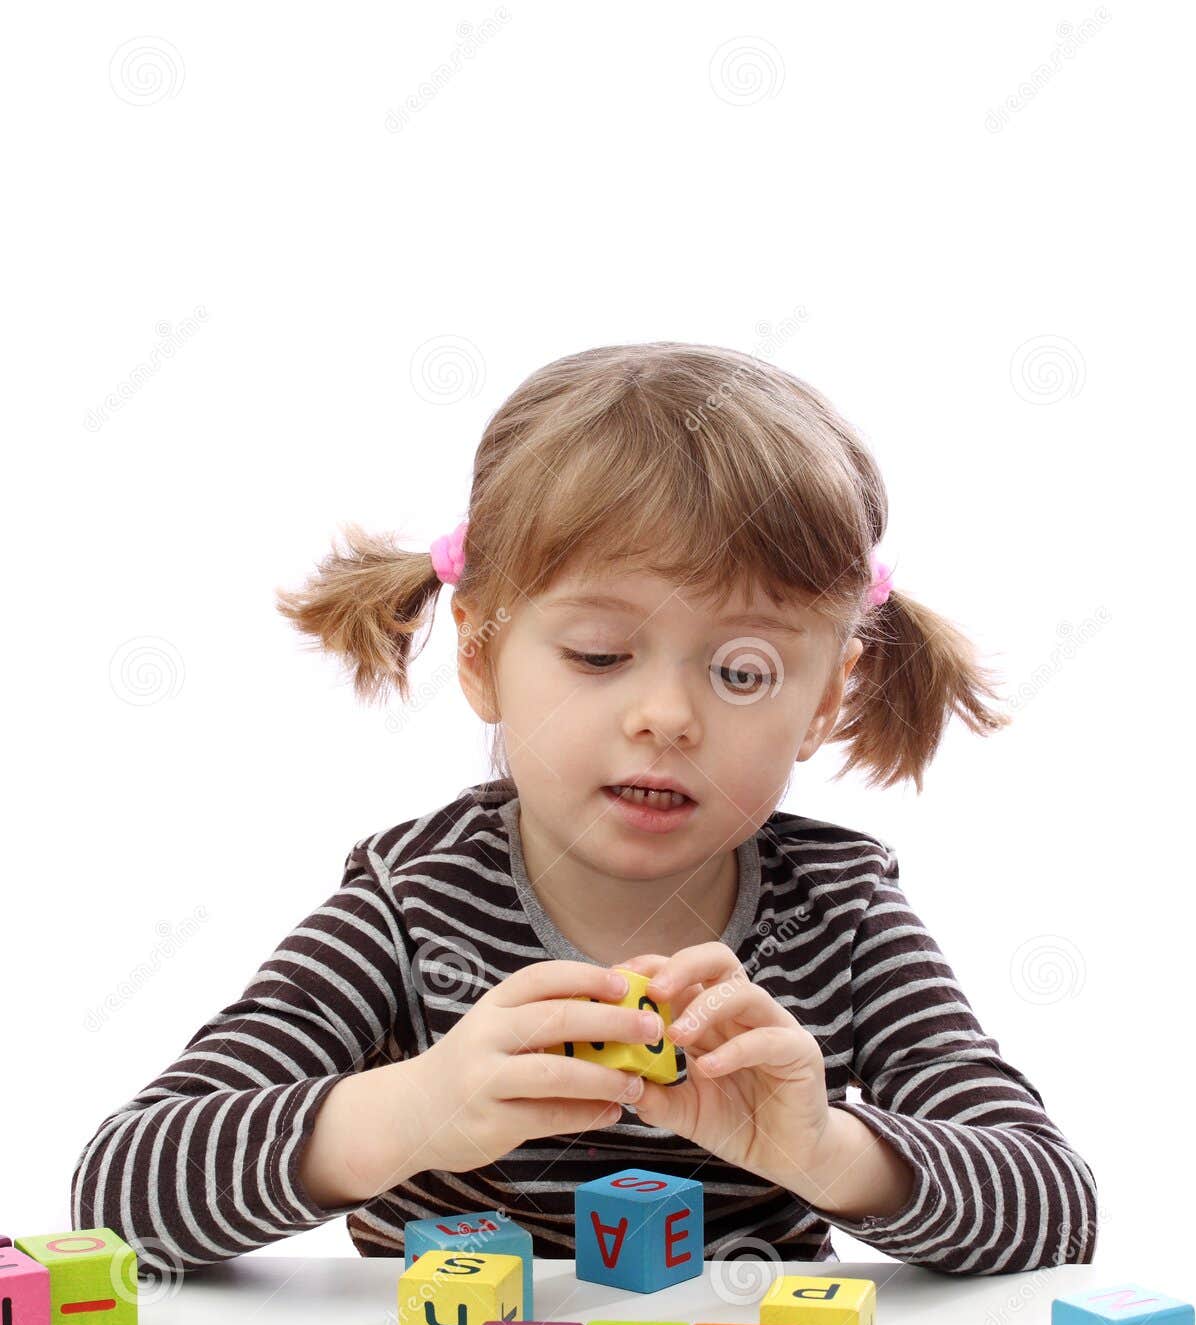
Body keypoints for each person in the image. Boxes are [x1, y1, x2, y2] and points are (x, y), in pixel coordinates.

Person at [71, 342, 1097, 1278]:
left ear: (825, 698)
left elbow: (1053, 1206)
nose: (665, 717)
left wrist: (826, 1148)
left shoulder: (841, 913)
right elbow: (119, 1192)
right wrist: (415, 1111)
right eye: (600, 656)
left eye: (742, 670)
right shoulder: (409, 901)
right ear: (477, 656)